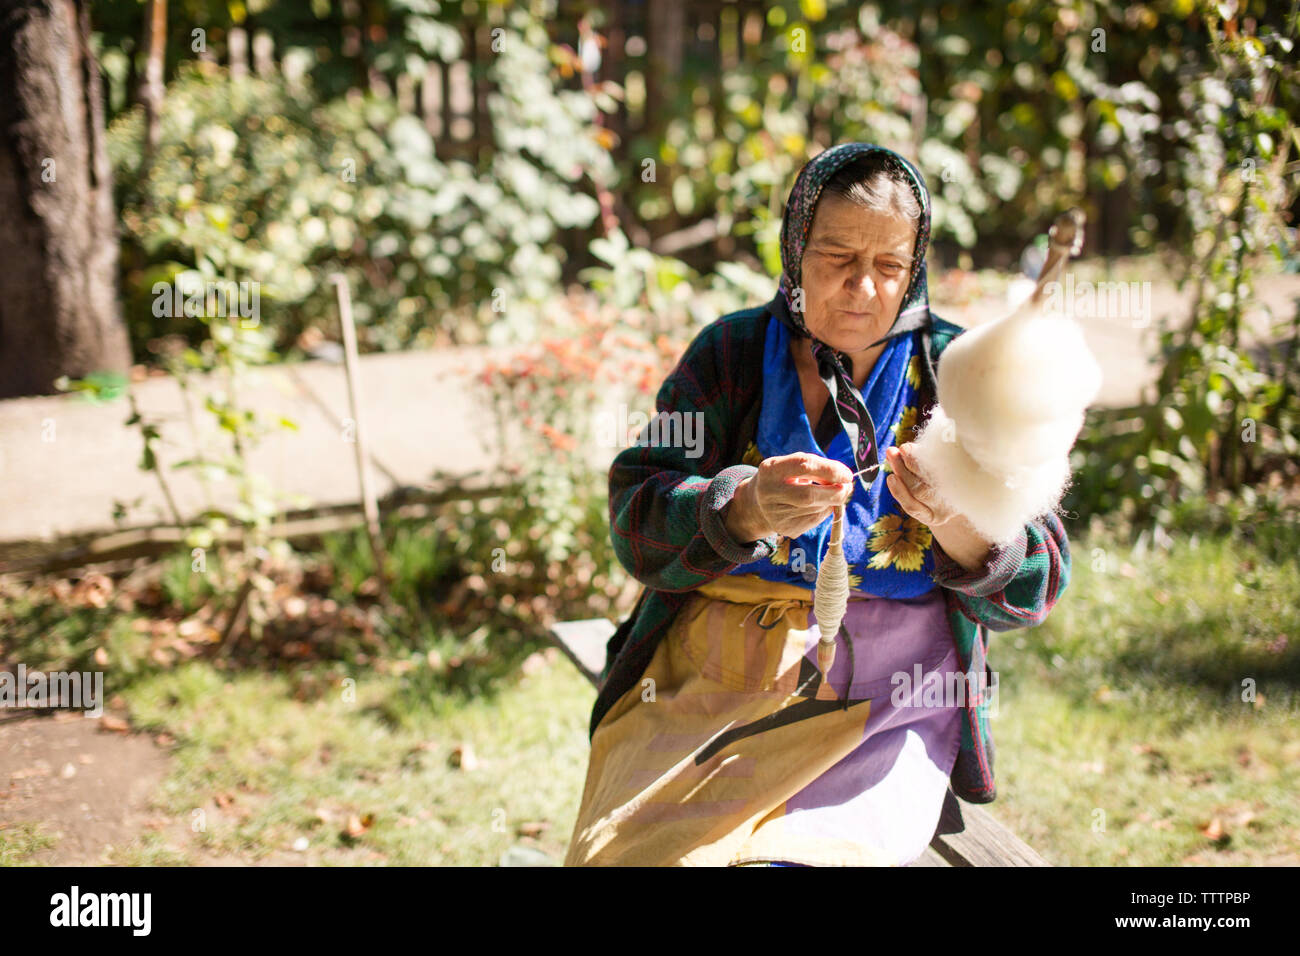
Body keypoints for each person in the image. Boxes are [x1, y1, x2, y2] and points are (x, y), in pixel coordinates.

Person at [563, 143, 1072, 867]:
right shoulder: (732, 355)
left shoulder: (958, 372)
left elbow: (1038, 584)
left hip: (883, 702)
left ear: (916, 264)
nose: (863, 289)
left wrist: (953, 521)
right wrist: (742, 511)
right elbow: (635, 523)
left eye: (889, 267)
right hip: (708, 683)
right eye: (836, 258)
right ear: (795, 247)